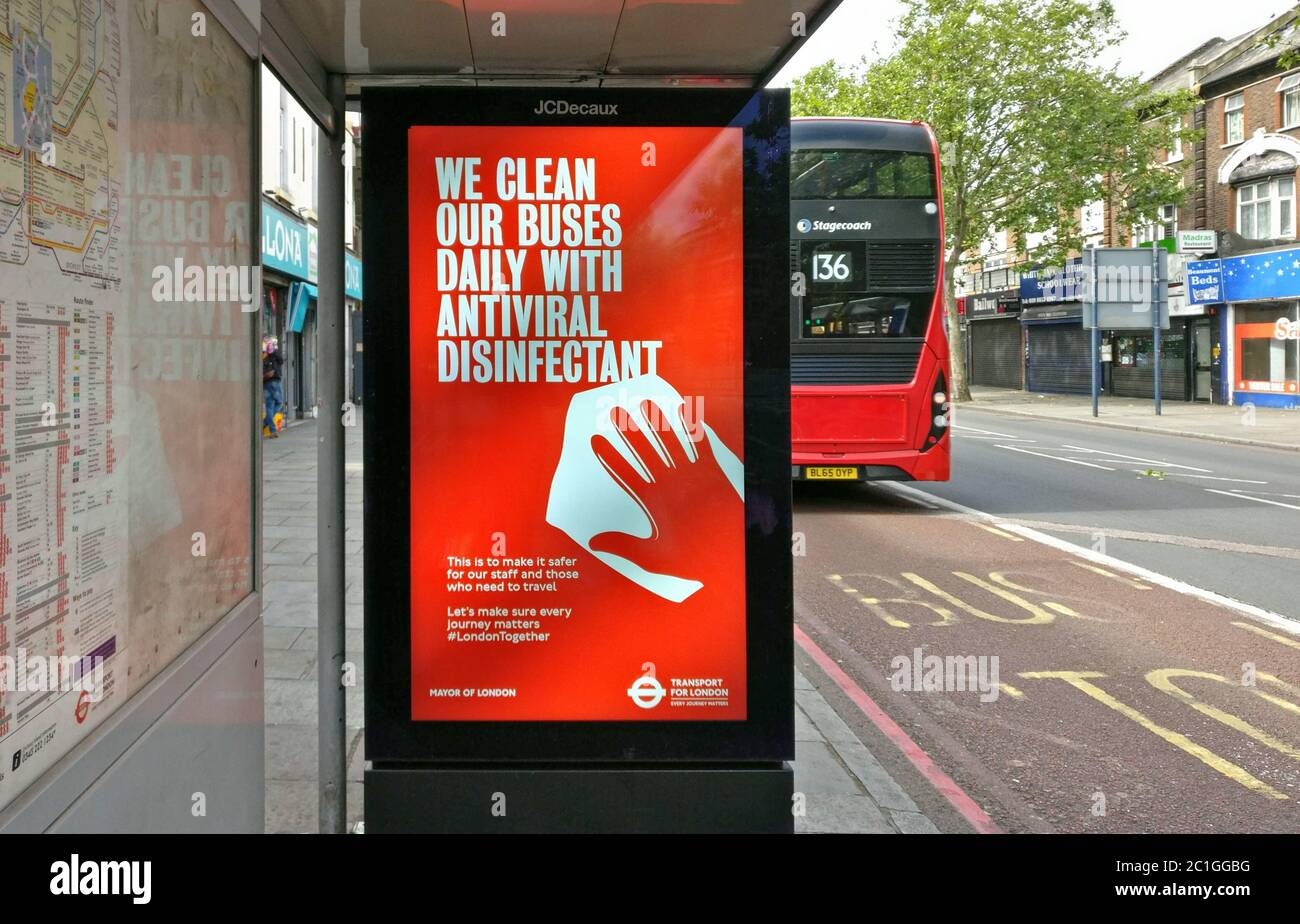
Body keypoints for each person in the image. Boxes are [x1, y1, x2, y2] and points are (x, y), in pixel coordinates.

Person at [263, 337, 285, 438]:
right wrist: (275, 350)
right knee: (279, 403)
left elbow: (280, 361)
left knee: (269, 406)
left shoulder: (265, 357)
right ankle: (265, 423)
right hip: (274, 381)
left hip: (266, 383)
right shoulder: (273, 356)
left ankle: (272, 430)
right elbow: (281, 361)